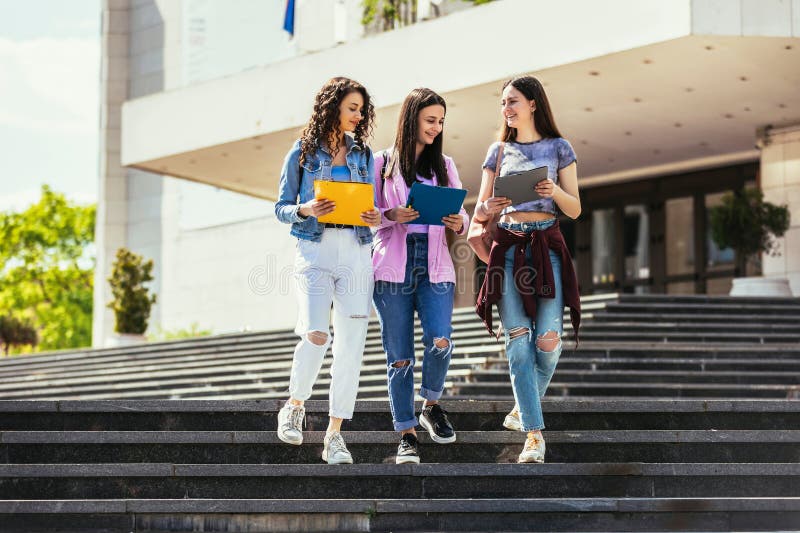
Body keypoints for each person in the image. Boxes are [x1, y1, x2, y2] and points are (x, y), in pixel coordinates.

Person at [473, 76, 582, 463]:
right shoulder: (498, 150)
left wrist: (554, 192)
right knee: (518, 341)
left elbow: (575, 209)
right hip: (509, 246)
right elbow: (479, 211)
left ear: (533, 103)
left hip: (547, 245)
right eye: (503, 103)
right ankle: (534, 436)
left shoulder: (559, 147)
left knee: (548, 343)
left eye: (513, 101)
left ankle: (523, 406)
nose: (507, 108)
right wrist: (491, 206)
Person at [274, 77, 380, 464]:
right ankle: (295, 404)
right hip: (313, 249)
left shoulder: (363, 155)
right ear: (333, 106)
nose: (358, 116)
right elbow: (281, 206)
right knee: (316, 333)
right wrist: (305, 209)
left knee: (351, 346)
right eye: (353, 108)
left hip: (356, 249)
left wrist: (372, 215)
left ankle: (334, 434)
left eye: (361, 110)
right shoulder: (301, 152)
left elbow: (370, 204)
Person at [372, 88, 470, 464]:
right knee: (399, 357)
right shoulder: (381, 163)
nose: (436, 127)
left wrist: (457, 221)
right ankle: (407, 433)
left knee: (441, 340)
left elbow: (459, 219)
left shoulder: (444, 165)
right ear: (411, 119)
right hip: (392, 266)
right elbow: (366, 217)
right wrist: (390, 215)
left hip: (435, 266)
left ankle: (431, 404)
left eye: (441, 121)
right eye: (430, 120)